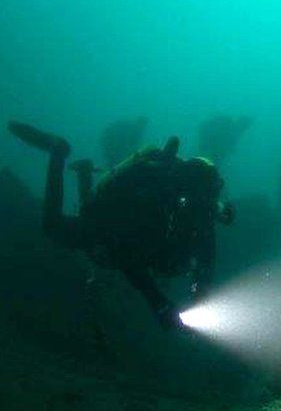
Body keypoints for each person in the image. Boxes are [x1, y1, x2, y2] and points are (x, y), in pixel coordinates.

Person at [7, 120, 234, 329]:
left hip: (128, 238)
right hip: (109, 225)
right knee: (54, 226)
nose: (199, 206)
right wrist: (159, 303)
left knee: (97, 235)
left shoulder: (201, 213)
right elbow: (125, 254)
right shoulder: (157, 201)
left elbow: (206, 258)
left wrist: (200, 293)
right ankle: (58, 150)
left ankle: (83, 173)